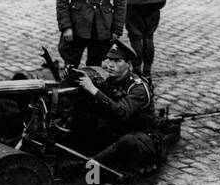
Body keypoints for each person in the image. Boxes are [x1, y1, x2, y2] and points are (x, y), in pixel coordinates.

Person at [66, 39, 157, 177]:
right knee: (84, 118)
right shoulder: (111, 82)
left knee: (127, 141)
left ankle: (86, 167)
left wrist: (93, 90)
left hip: (140, 139)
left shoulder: (138, 88)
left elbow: (121, 112)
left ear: (128, 64)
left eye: (117, 61)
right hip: (118, 132)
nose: (111, 65)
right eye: (109, 60)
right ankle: (83, 157)